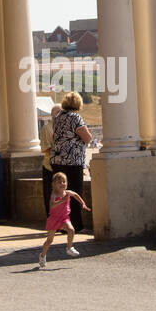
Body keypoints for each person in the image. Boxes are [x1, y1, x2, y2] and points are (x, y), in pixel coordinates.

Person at [49, 92, 92, 235]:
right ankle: (77, 226)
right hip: (72, 161)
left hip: (57, 160)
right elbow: (87, 137)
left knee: (60, 194)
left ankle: (63, 225)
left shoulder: (58, 117)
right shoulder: (75, 117)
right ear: (78, 103)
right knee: (73, 194)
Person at [38, 170, 90, 269]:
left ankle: (69, 248)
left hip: (64, 218)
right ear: (54, 184)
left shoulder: (67, 192)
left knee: (71, 230)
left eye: (64, 181)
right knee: (49, 240)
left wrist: (82, 203)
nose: (62, 184)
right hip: (54, 219)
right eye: (59, 182)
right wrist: (62, 200)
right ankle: (42, 255)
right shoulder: (54, 194)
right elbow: (52, 206)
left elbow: (75, 195)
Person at [39, 105, 63, 215]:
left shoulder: (63, 128)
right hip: (50, 167)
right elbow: (46, 149)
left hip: (61, 166)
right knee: (50, 196)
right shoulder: (47, 128)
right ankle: (52, 221)